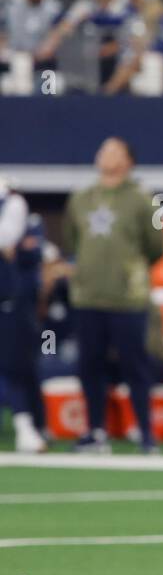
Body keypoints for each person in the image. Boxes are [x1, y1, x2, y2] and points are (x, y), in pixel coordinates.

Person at [63, 137, 163, 454]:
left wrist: (129, 272)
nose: (106, 155)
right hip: (88, 295)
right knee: (89, 366)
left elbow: (155, 246)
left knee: (136, 365)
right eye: (103, 149)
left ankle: (146, 432)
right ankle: (95, 431)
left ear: (128, 161)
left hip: (127, 298)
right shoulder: (81, 198)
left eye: (114, 151)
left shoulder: (141, 200)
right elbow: (71, 240)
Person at [0, 178, 45, 453]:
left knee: (12, 366)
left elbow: (6, 236)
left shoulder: (12, 203)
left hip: (7, 301)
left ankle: (26, 424)